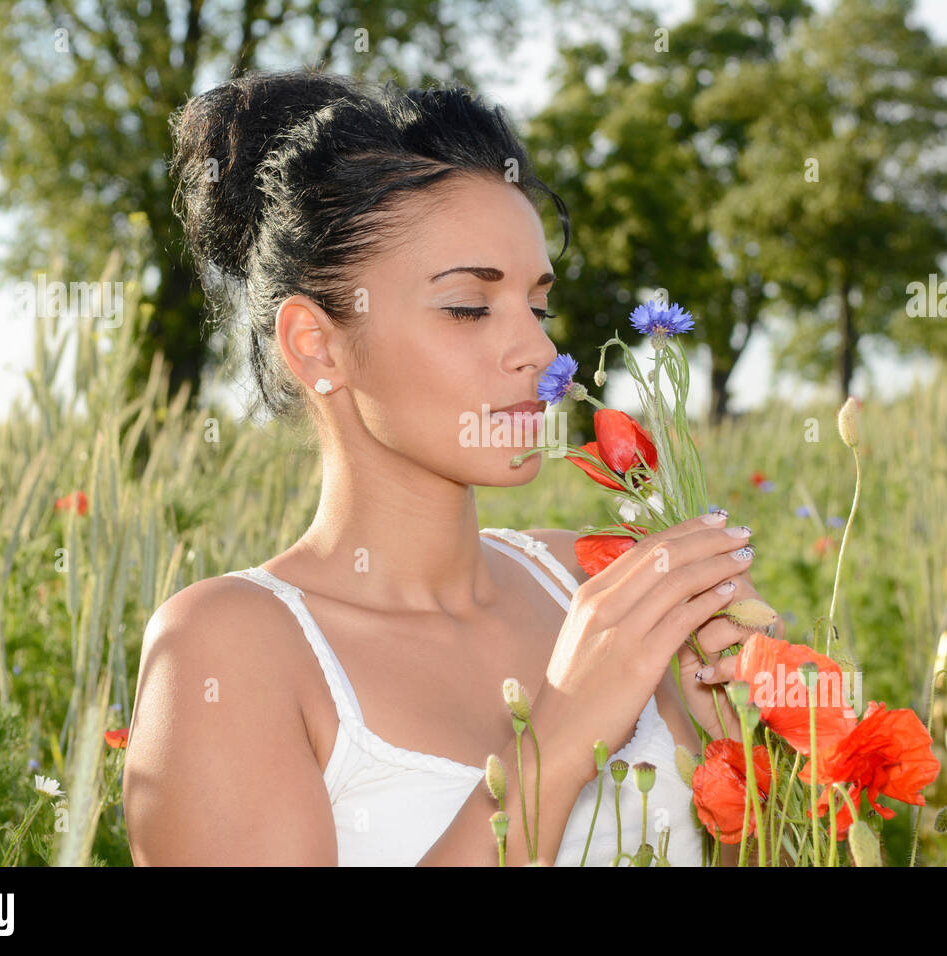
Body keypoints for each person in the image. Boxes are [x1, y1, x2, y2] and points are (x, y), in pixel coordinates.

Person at [123, 67, 777, 866]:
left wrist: (754, 737)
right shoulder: (227, 650)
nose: (540, 351)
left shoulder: (594, 580)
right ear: (315, 344)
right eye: (469, 306)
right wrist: (561, 736)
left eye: (538, 306)